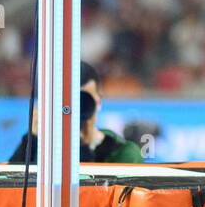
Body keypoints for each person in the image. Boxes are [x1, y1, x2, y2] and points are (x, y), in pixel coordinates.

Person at [7, 61, 144, 164]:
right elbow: (10, 194)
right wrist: (32, 140)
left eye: (83, 100)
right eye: (65, 100)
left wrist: (82, 145)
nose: (73, 110)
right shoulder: (43, 148)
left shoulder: (121, 152)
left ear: (98, 102)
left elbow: (93, 198)